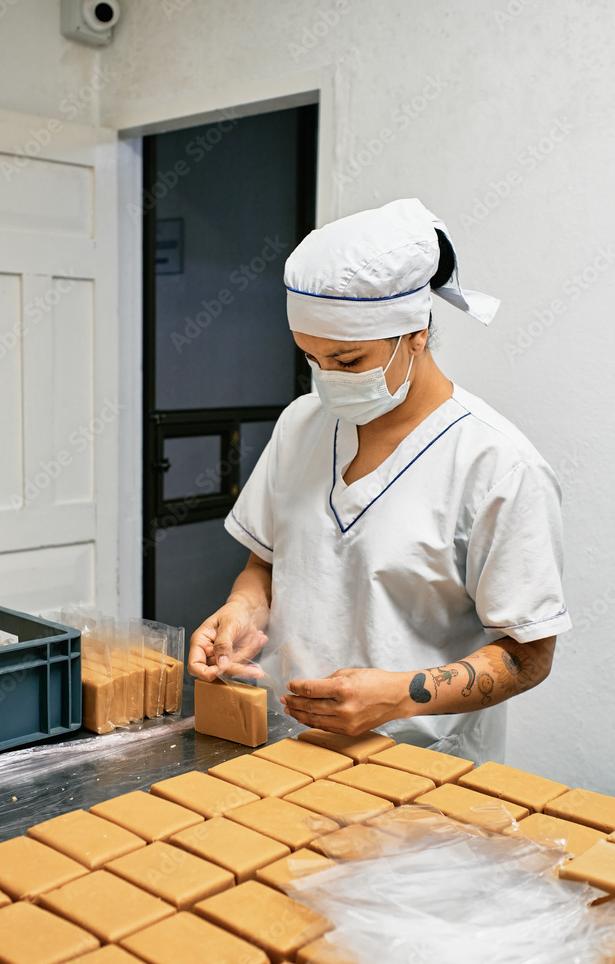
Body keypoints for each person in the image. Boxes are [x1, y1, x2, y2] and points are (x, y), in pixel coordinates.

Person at [188, 198, 571, 763]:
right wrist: (244, 609)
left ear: (415, 332)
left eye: (347, 361)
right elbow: (266, 562)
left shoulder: (498, 466)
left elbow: (528, 655)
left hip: (420, 769)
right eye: (311, 359)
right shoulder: (302, 425)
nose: (326, 380)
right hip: (284, 749)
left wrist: (398, 696)